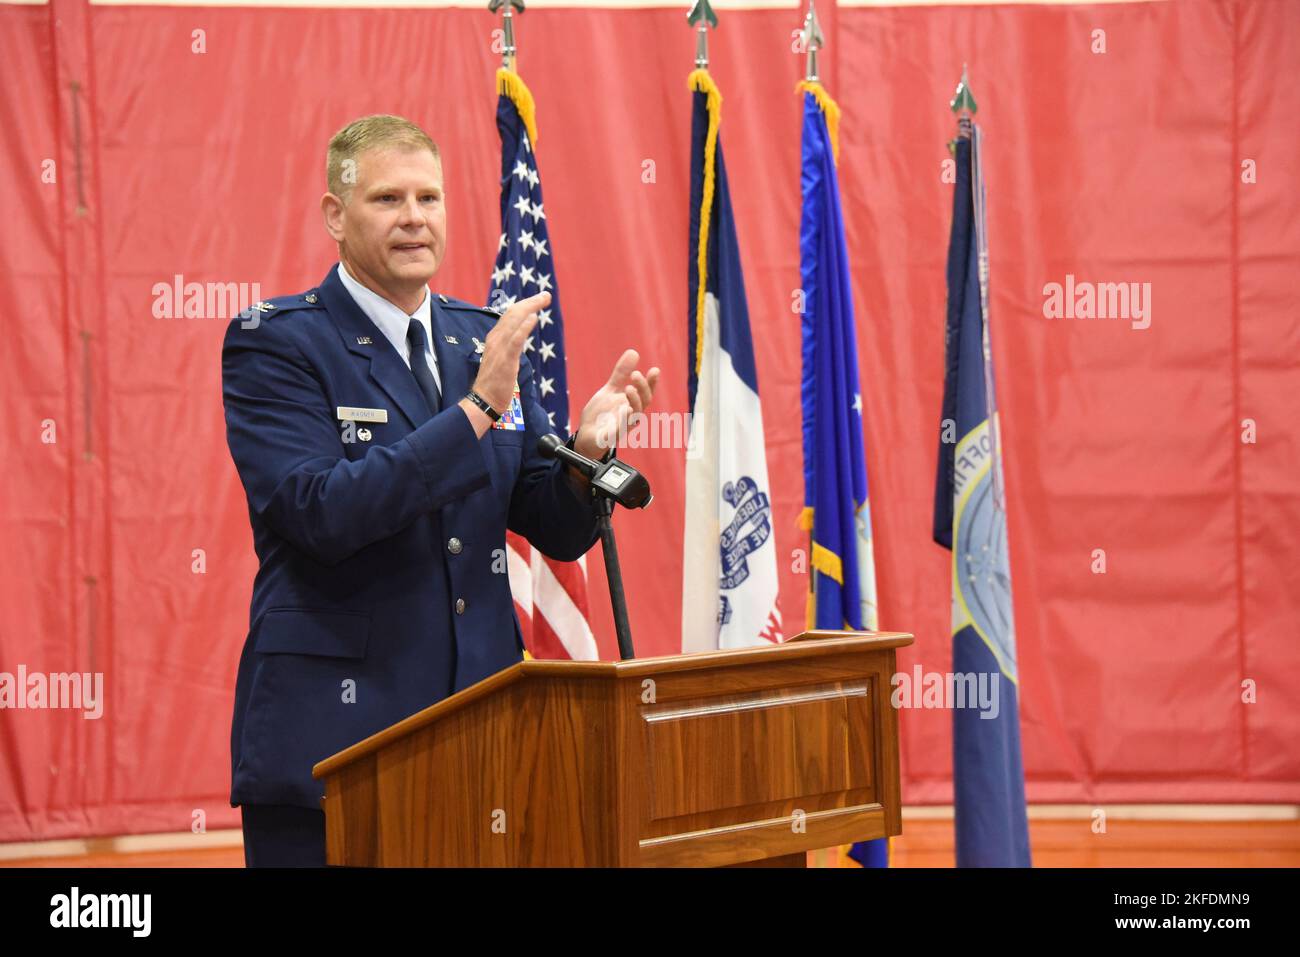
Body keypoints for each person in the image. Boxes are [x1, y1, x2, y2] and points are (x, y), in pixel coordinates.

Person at [221, 114, 659, 866]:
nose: (415, 218)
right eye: (389, 199)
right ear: (336, 215)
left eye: (430, 197)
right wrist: (477, 410)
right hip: (336, 745)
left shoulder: (477, 339)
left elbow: (550, 526)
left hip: (482, 737)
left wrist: (586, 450)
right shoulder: (277, 342)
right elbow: (324, 511)